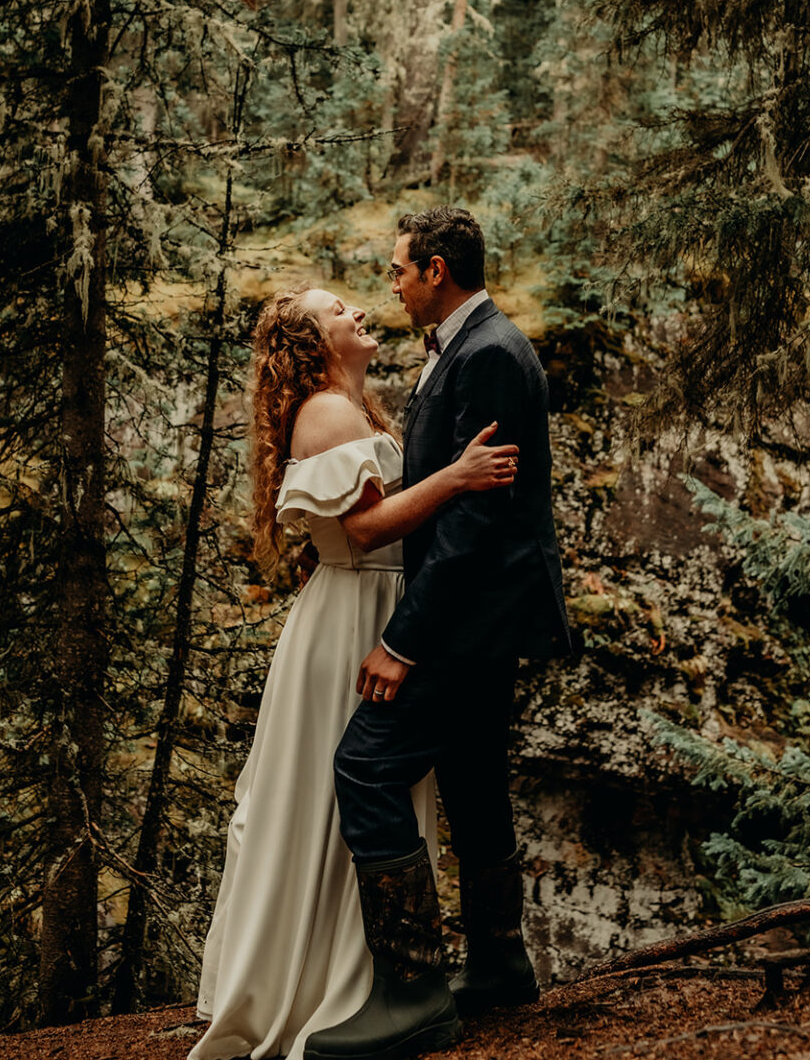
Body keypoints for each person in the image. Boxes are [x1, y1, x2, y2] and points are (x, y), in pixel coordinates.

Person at [189, 283, 519, 1060]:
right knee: (347, 786)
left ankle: (372, 978)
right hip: (355, 618)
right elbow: (366, 531)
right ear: (312, 341)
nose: (359, 312)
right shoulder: (328, 413)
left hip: (371, 607)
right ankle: (348, 984)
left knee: (353, 795)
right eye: (338, 310)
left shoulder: (351, 407)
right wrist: (459, 477)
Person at [304, 207, 571, 1060]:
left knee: (366, 765)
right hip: (476, 618)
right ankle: (499, 963)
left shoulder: (488, 352)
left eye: (399, 269)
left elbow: (472, 529)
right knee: (469, 774)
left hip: (466, 621)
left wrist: (402, 643)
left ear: (439, 269)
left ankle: (414, 988)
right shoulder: (467, 346)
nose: (391, 283)